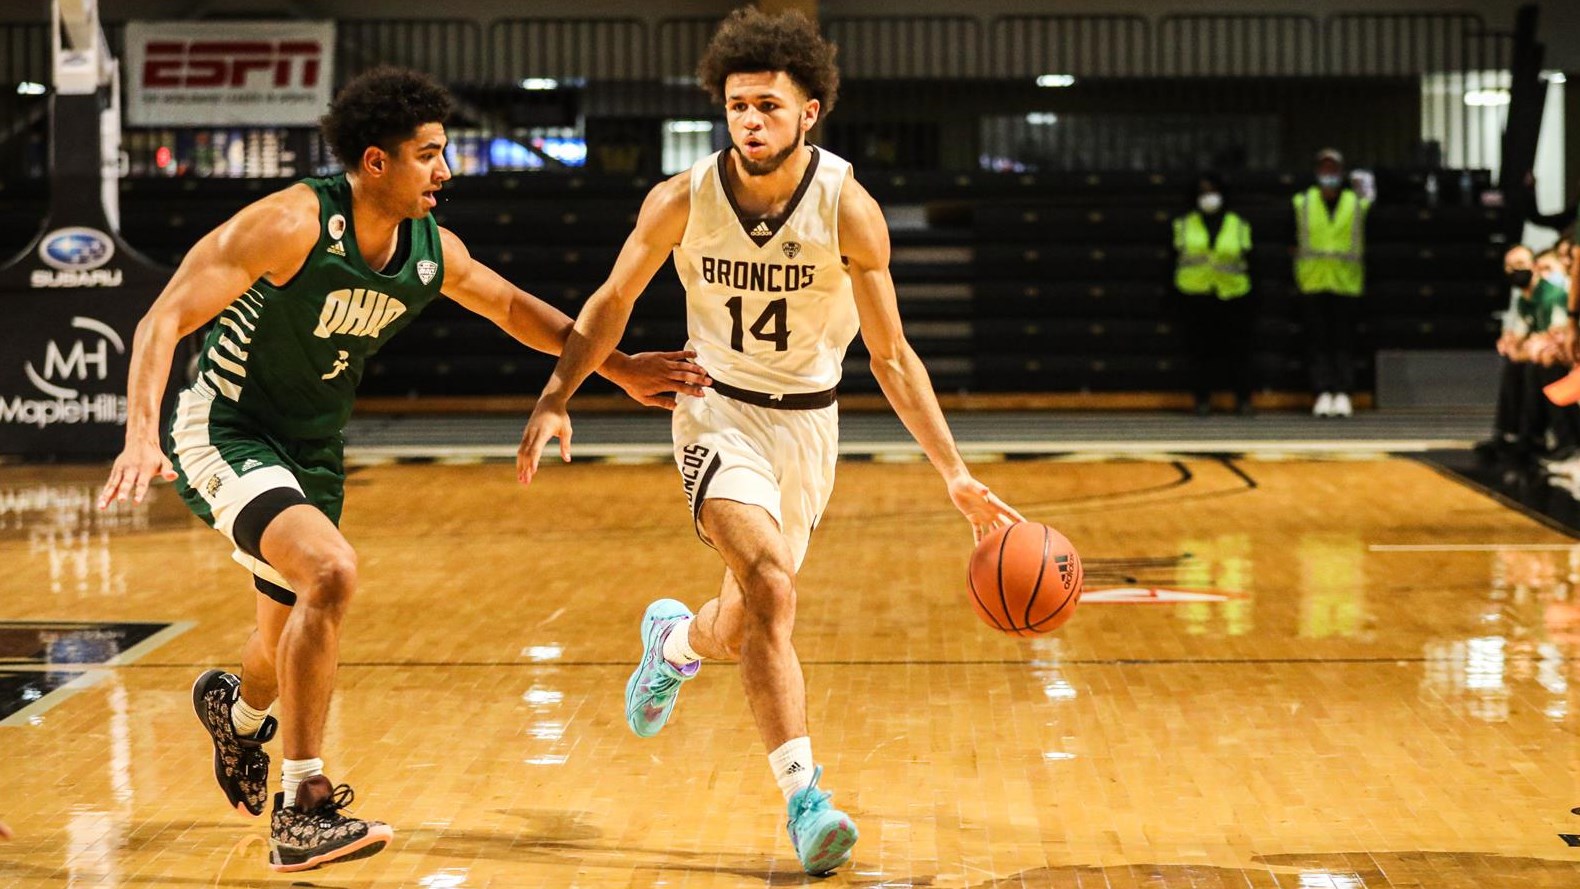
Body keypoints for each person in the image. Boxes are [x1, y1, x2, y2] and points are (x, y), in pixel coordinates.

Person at [95, 67, 704, 873]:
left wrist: (619, 368)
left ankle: (235, 716)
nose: (445, 171)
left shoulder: (430, 249)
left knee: (279, 648)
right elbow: (163, 315)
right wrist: (143, 435)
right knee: (332, 573)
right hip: (228, 427)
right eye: (429, 155)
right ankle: (303, 806)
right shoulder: (289, 224)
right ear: (375, 163)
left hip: (312, 447)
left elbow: (513, 306)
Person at [515, 8, 1023, 876]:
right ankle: (805, 799)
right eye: (737, 105)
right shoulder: (682, 198)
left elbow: (892, 356)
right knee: (772, 589)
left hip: (808, 427)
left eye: (769, 106)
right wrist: (559, 392)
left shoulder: (849, 209)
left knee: (746, 618)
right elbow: (610, 303)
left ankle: (673, 643)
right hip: (713, 412)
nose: (750, 120)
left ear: (810, 113)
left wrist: (956, 473)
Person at [1293, 148, 1371, 418]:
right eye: (1324, 169)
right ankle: (1322, 392)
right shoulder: (1302, 202)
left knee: (1344, 342)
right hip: (1313, 282)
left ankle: (1343, 392)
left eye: (1333, 169)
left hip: (1346, 283)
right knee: (1318, 342)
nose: (1329, 175)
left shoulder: (1356, 201)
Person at [1172, 172, 1256, 416]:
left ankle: (1243, 399)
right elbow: (1173, 261)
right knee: (1200, 352)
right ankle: (1202, 399)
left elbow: (1251, 262)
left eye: (1213, 192)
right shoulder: (1183, 224)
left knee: (1239, 352)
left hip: (1233, 295)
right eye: (1203, 192)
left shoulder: (1239, 224)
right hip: (1195, 295)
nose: (1208, 197)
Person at [1483, 246, 1575, 462]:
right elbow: (1517, 338)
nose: (1515, 271)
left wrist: (1525, 349)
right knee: (1519, 366)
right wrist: (1513, 344)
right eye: (1510, 267)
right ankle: (1511, 433)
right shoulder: (1525, 300)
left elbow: (1556, 342)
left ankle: (1558, 439)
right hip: (1554, 356)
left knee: (1542, 366)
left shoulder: (1555, 295)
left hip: (1566, 362)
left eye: (1520, 264)